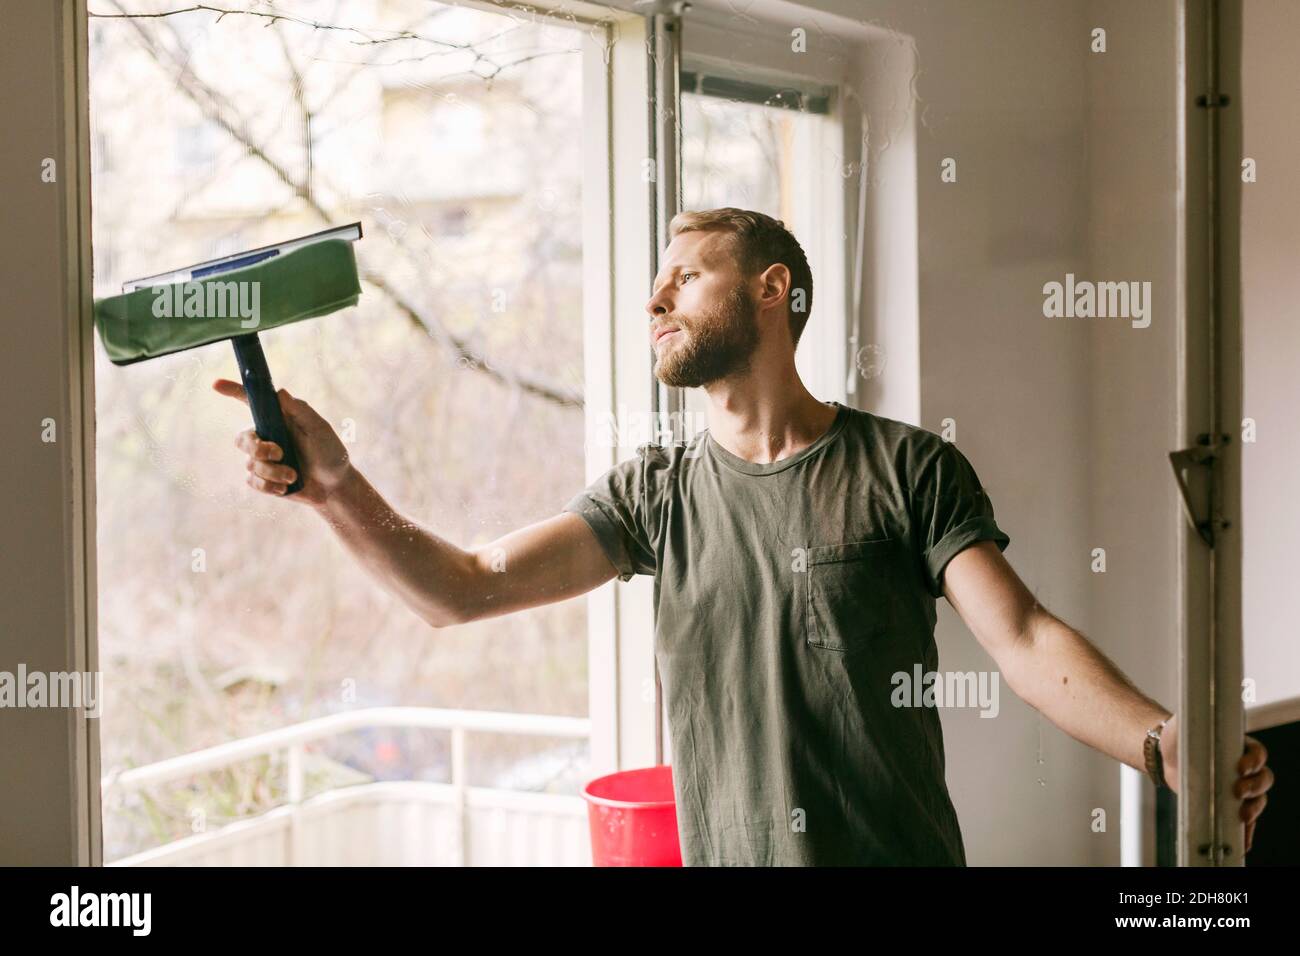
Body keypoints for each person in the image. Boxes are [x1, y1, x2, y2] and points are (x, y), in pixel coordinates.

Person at [214, 207, 1271, 866]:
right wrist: (339, 487)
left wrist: (1154, 739)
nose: (654, 297)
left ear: (771, 291)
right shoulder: (656, 492)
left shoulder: (907, 468)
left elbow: (1024, 636)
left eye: (685, 275)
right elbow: (467, 585)